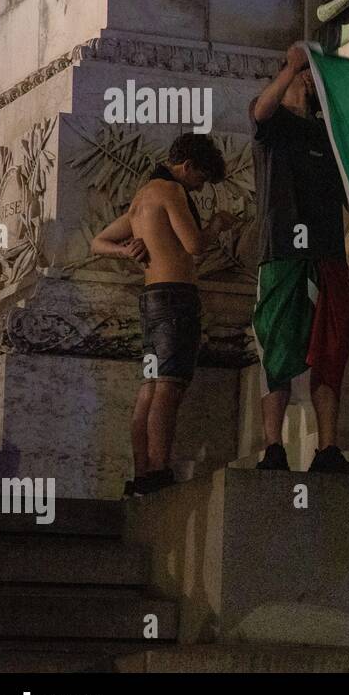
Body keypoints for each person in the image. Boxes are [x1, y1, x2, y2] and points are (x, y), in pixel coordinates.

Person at [91, 134, 234, 496]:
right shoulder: (170, 193)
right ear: (186, 167)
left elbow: (98, 241)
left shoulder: (142, 197)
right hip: (176, 298)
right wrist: (216, 224)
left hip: (151, 301)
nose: (198, 188)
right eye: (199, 180)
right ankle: (158, 470)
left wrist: (127, 251)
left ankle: (142, 474)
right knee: (169, 387)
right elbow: (195, 245)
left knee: (151, 386)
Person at [250, 43, 349, 474]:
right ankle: (273, 447)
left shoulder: (327, 131)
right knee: (276, 348)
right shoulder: (273, 121)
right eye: (308, 71)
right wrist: (293, 65)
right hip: (281, 252)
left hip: (327, 252)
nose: (312, 78)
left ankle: (327, 448)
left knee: (332, 351)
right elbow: (260, 111)